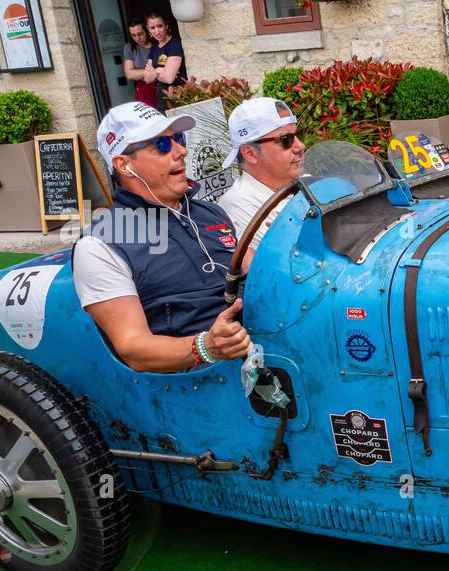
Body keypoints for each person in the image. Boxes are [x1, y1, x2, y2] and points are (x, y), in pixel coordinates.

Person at [73, 101, 249, 373]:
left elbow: (256, 269)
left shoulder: (211, 212)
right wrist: (206, 347)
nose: (182, 151)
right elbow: (133, 347)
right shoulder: (99, 244)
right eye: (162, 146)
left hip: (260, 349)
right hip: (197, 381)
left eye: (178, 138)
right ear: (124, 164)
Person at [218, 97, 304, 271]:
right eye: (286, 139)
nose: (300, 146)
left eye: (299, 135)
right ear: (250, 153)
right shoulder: (238, 203)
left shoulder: (307, 180)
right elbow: (271, 274)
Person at [145, 12, 187, 110]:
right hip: (161, 100)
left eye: (160, 26)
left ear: (166, 26)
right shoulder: (154, 47)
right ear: (148, 30)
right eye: (152, 28)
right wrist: (161, 71)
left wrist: (155, 71)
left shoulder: (174, 44)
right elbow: (147, 78)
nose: (157, 31)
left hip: (177, 99)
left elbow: (169, 79)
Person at [121, 18, 159, 109]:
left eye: (140, 34)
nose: (137, 38)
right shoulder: (129, 48)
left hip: (163, 87)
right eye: (133, 35)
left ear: (147, 30)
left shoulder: (158, 44)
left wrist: (139, 73)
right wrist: (156, 71)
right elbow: (129, 74)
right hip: (143, 90)